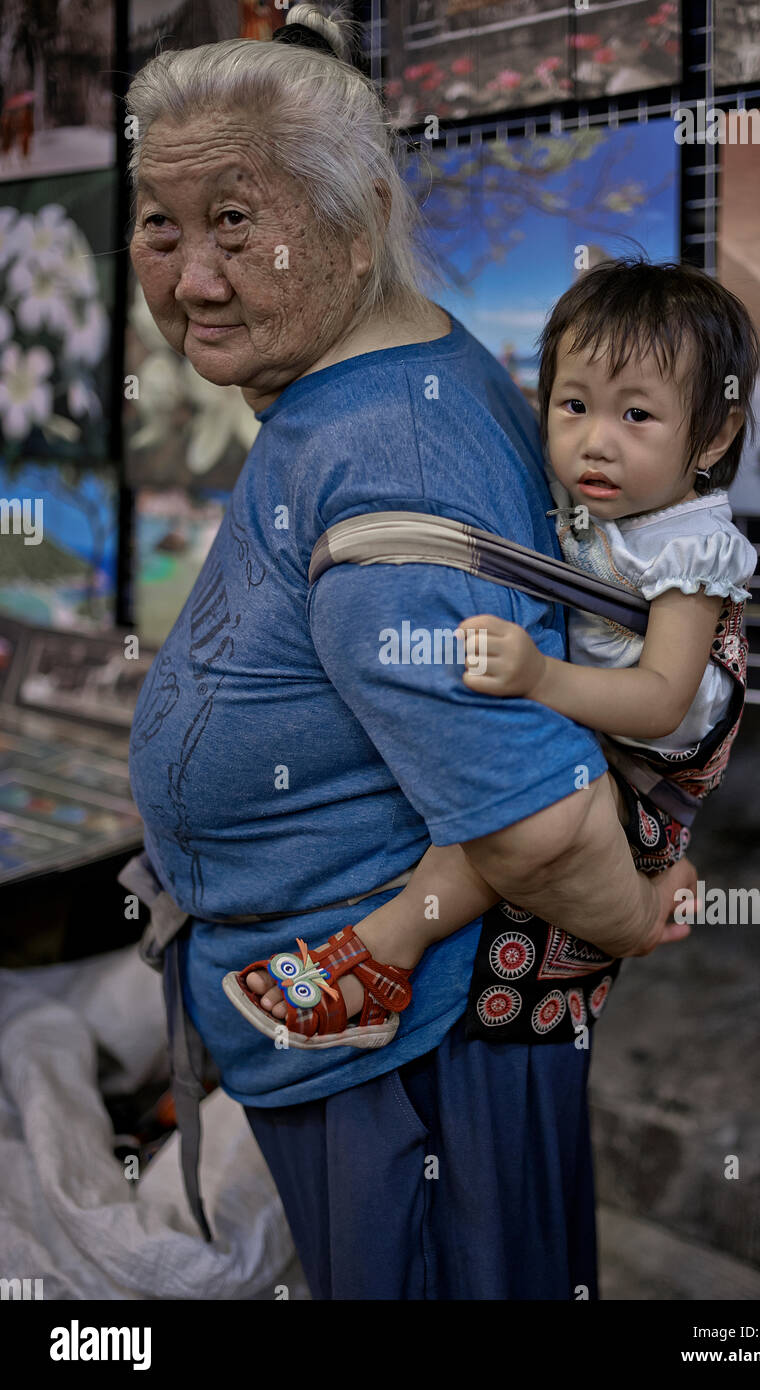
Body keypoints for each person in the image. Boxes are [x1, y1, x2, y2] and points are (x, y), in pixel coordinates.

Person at [125, 6, 695, 1300]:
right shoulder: (374, 369)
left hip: (413, 1064)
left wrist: (631, 916)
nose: (190, 277)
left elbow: (542, 826)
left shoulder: (390, 456)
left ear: (364, 215)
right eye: (161, 223)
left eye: (234, 219)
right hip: (360, 1026)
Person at [232, 259, 759, 1046]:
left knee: (498, 826)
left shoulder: (692, 547)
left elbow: (661, 700)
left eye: (637, 416)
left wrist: (540, 677)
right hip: (603, 736)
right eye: (574, 405)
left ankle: (380, 959)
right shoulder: (592, 505)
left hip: (648, 770)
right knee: (493, 800)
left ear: (714, 432)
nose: (595, 443)